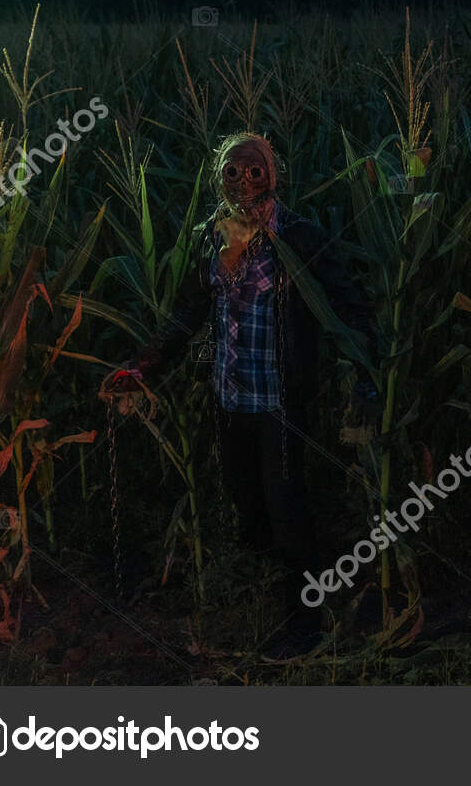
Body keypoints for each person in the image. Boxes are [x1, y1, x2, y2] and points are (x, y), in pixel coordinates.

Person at [100, 132, 380, 650]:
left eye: (254, 170)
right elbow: (188, 313)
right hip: (229, 399)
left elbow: (346, 307)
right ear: (218, 179)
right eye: (232, 171)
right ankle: (266, 597)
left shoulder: (300, 237)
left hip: (280, 402)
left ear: (272, 177)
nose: (243, 181)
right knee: (246, 504)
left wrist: (365, 372)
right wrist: (142, 368)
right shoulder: (211, 236)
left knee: (286, 508)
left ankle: (305, 623)